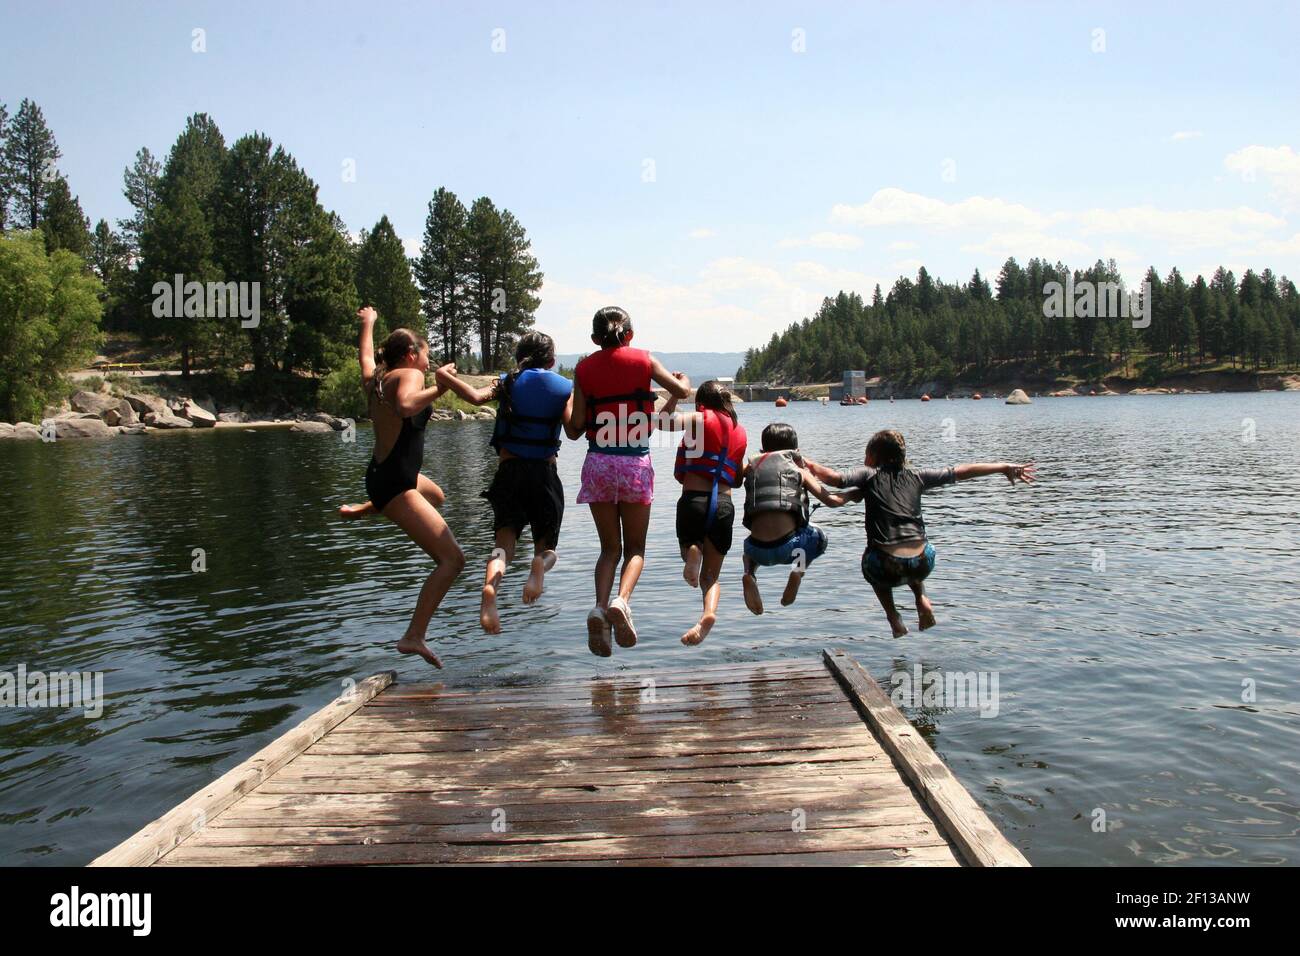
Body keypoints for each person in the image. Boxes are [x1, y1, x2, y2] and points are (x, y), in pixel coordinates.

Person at [805, 428, 1036, 637]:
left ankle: (893, 617)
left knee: (872, 564)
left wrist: (806, 464)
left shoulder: (868, 476)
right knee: (910, 554)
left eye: (867, 455)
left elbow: (833, 478)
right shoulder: (918, 477)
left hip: (884, 565)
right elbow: (963, 470)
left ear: (874, 457)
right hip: (924, 561)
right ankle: (921, 598)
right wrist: (1004, 466)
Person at [565, 306, 693, 656]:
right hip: (634, 464)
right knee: (635, 549)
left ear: (594, 339)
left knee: (609, 549)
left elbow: (575, 428)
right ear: (630, 334)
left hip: (598, 464)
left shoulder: (583, 369)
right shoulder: (644, 361)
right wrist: (683, 382)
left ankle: (599, 607)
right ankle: (622, 601)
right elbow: (680, 391)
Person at [433, 332, 574, 634]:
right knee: (547, 549)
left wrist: (443, 376)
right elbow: (574, 427)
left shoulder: (507, 382)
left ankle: (490, 588)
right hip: (544, 476)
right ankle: (538, 567)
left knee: (502, 548)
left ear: (518, 358)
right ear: (551, 361)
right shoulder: (564, 387)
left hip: (508, 474)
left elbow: (472, 397)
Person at [348, 306, 466, 668]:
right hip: (396, 483)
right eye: (426, 353)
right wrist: (440, 386)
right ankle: (413, 636)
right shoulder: (409, 376)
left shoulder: (377, 377)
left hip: (387, 475)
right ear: (412, 354)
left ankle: (371, 505)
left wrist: (368, 323)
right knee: (452, 560)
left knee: (438, 496)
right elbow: (404, 407)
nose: (429, 360)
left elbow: (366, 356)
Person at [659, 380, 748, 645]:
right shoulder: (739, 430)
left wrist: (674, 395)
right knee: (710, 577)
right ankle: (708, 614)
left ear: (701, 403)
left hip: (694, 500)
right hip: (723, 505)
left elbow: (662, 422)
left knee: (689, 549)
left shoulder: (699, 417)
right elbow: (737, 478)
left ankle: (692, 551)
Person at [740, 423, 850, 615]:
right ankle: (798, 570)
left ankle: (749, 573)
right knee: (819, 538)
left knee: (749, 551)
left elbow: (733, 477)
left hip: (755, 549)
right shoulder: (799, 472)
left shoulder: (751, 468)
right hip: (789, 549)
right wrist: (854, 494)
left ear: (762, 450)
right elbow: (831, 500)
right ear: (796, 451)